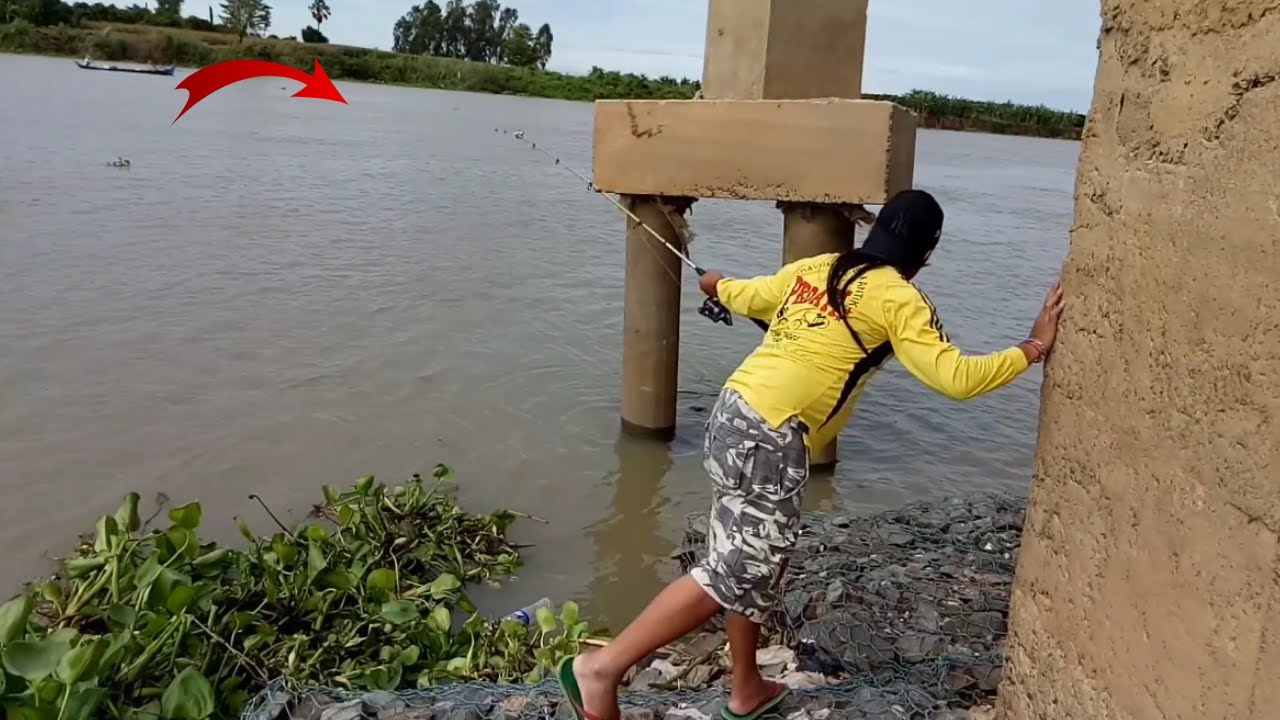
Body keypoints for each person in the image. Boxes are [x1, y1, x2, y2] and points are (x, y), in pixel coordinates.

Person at [557, 189, 1066, 720]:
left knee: (751, 564)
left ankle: (747, 687)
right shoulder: (899, 298)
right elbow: (957, 378)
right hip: (773, 434)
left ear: (876, 232)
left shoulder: (816, 267)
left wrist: (715, 284)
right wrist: (1032, 347)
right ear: (927, 254)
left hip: (734, 413)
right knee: (733, 571)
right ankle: (602, 668)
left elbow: (745, 294)